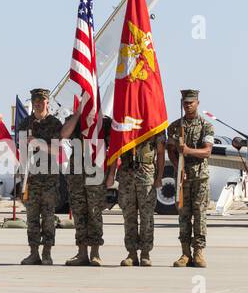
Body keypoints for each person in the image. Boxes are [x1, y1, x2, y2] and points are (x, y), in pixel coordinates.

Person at [168, 89, 215, 268]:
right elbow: (170, 150)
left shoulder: (206, 126)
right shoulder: (174, 126)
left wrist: (187, 151)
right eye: (185, 102)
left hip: (200, 178)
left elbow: (207, 151)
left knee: (200, 215)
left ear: (197, 103)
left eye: (191, 102)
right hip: (183, 178)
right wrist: (178, 167)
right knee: (183, 216)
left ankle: (199, 253)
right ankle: (185, 253)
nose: (188, 105)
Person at [107, 121, 164, 267]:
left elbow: (161, 152)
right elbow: (115, 149)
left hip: (146, 174)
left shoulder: (154, 123)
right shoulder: (124, 119)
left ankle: (145, 253)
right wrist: (111, 174)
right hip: (126, 174)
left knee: (147, 217)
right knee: (129, 216)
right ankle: (132, 253)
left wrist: (159, 178)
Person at [20, 88, 61, 266]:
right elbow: (21, 150)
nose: (38, 103)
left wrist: (38, 144)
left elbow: (58, 150)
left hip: (49, 177)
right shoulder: (25, 123)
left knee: (48, 216)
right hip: (31, 178)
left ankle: (47, 252)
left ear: (47, 102)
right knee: (32, 216)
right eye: (35, 100)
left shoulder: (54, 123)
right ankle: (34, 252)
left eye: (41, 100)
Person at [60, 104, 105, 267]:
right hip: (76, 172)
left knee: (94, 211)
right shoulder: (73, 121)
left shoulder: (102, 122)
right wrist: (78, 114)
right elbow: (63, 134)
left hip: (95, 170)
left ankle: (95, 253)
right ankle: (82, 253)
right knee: (79, 211)